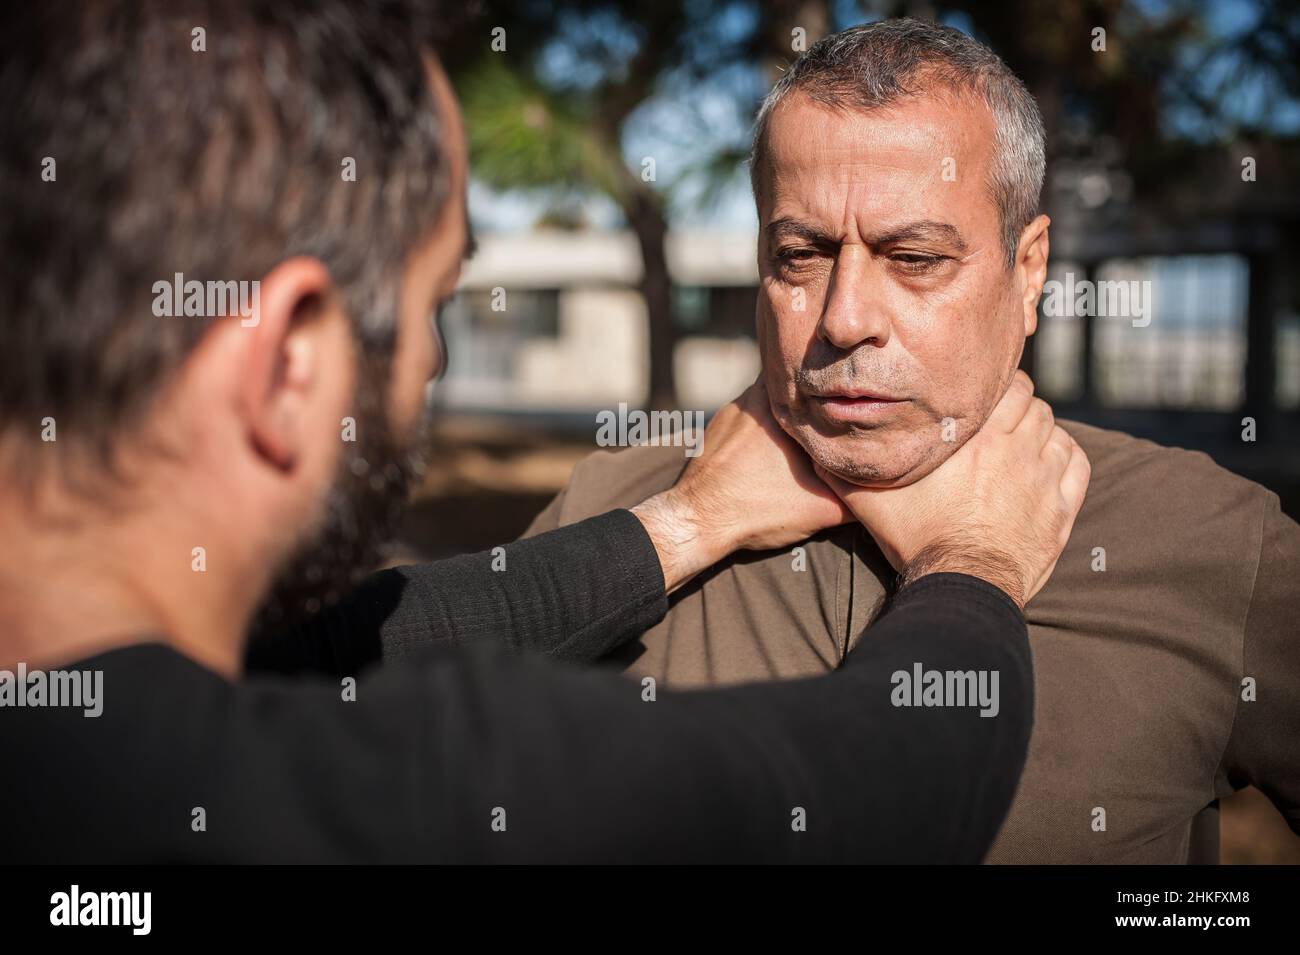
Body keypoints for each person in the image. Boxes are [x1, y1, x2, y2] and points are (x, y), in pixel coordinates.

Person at [0, 0, 1088, 863]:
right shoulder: (375, 793)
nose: (430, 362)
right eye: (435, 307)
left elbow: (340, 644)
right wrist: (976, 563)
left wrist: (685, 523)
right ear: (286, 363)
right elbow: (867, 798)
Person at [525, 18, 1300, 863]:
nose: (846, 317)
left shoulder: (1215, 539)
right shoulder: (606, 513)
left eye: (916, 257)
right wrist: (679, 523)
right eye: (802, 254)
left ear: (1029, 269)